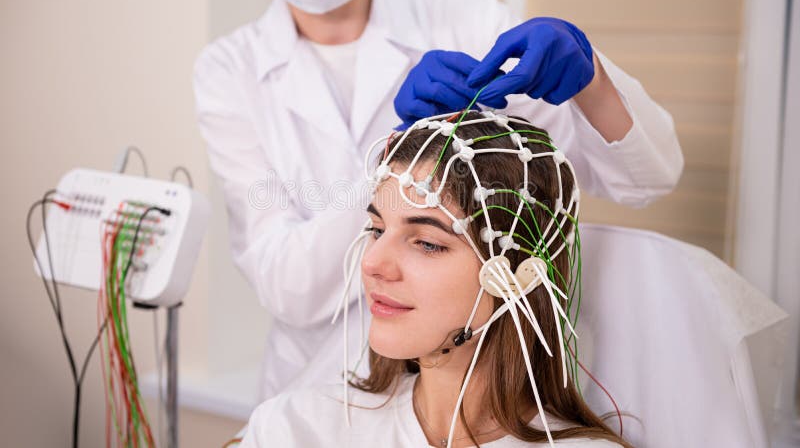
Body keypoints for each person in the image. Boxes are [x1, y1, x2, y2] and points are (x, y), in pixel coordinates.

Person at [193, 0, 684, 400]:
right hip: (323, 387)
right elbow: (288, 287)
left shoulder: (464, 15)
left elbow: (643, 180)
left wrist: (591, 81)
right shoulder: (228, 72)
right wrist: (398, 151)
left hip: (480, 378)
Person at [238, 110, 631, 447]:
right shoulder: (293, 429)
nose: (373, 263)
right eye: (377, 230)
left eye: (426, 243)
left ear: (518, 274)